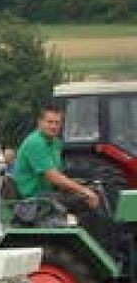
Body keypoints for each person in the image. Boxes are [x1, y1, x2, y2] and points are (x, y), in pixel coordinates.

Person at [14, 104, 114, 246]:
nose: (53, 126)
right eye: (50, 122)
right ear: (40, 122)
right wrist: (84, 191)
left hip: (48, 193)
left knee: (97, 193)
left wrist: (84, 185)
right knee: (89, 201)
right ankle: (99, 246)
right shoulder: (35, 143)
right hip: (35, 198)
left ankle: (102, 242)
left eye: (57, 123)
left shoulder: (55, 143)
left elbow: (59, 173)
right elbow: (53, 177)